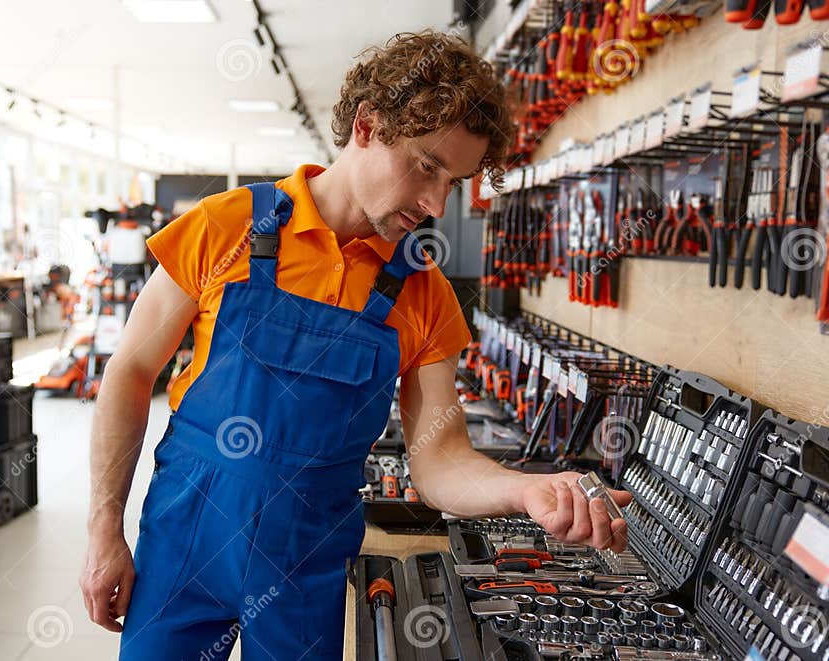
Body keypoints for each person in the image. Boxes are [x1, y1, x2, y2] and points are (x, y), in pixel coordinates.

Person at [79, 30, 632, 660]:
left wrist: (525, 489)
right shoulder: (223, 226)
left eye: (453, 181)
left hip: (304, 562)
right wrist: (103, 528)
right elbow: (129, 372)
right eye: (426, 165)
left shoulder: (422, 295)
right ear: (366, 126)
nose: (433, 204)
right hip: (185, 542)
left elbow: (438, 459)